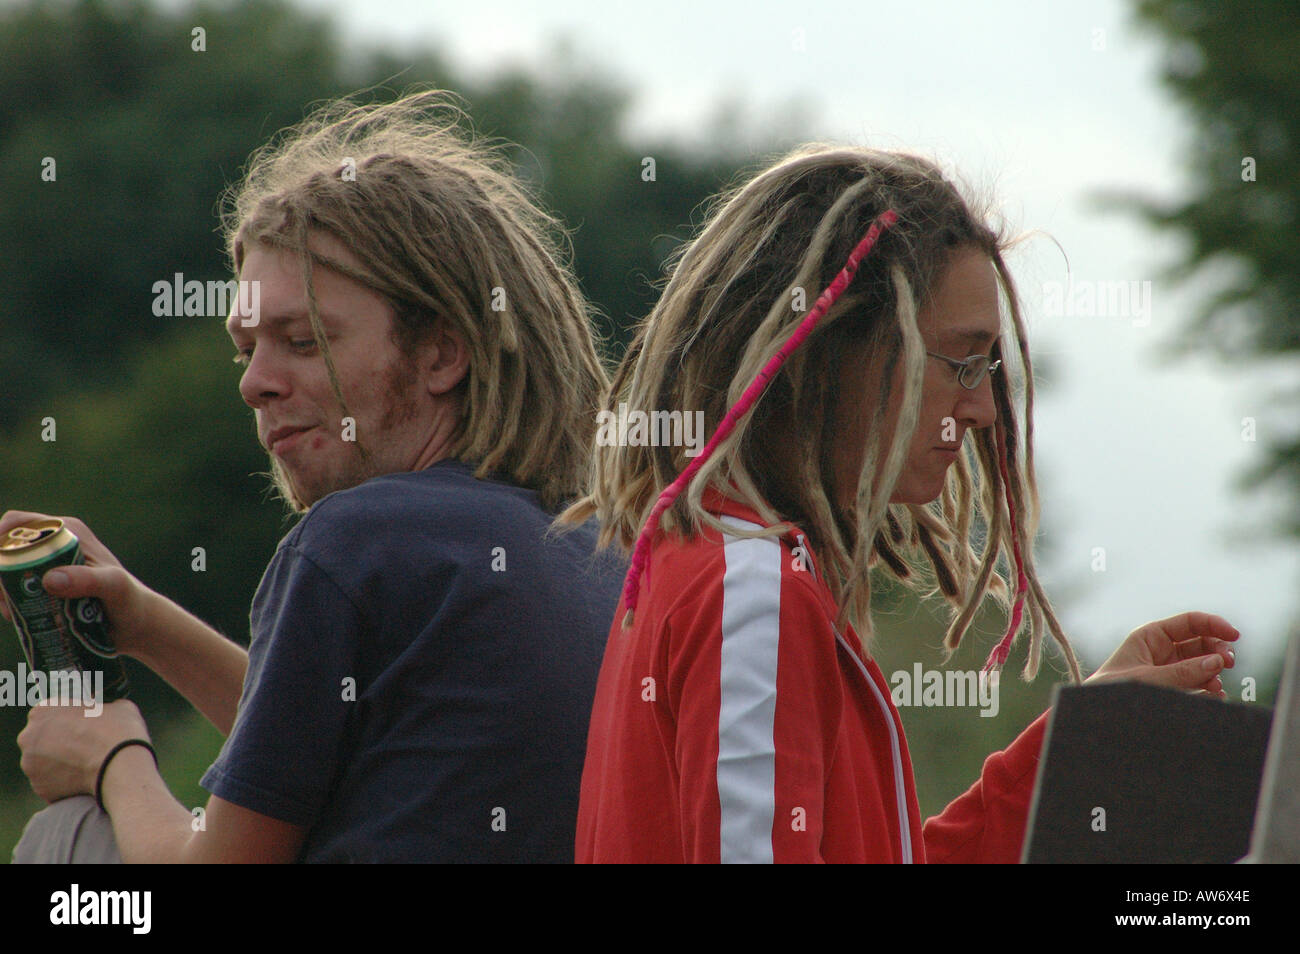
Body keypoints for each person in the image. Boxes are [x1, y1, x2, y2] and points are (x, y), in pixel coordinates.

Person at [563, 145, 1239, 863]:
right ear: (835, 346)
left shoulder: (704, 565)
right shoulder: (753, 595)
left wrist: (1078, 750)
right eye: (963, 361)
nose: (982, 407)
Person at [7, 91, 623, 863]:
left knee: (69, 840)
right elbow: (328, 739)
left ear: (441, 353)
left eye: (301, 340)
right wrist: (145, 623)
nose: (253, 383)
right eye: (246, 348)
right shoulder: (603, 548)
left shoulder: (358, 538)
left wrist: (113, 760)